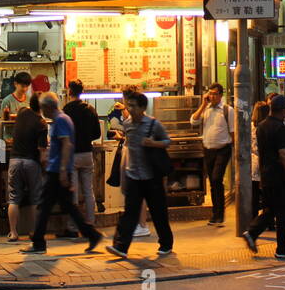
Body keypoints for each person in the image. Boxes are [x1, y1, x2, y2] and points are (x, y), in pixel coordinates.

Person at [22, 94, 102, 254]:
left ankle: (38, 242)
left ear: (48, 107)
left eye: (43, 108)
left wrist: (64, 171)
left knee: (45, 207)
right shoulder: (64, 119)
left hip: (58, 171)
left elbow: (66, 145)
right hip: (57, 169)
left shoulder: (61, 120)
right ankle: (91, 234)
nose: (42, 111)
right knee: (66, 206)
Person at [107, 89, 174, 259]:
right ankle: (121, 247)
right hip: (134, 176)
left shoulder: (153, 124)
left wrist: (153, 143)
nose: (130, 109)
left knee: (159, 213)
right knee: (130, 213)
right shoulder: (128, 124)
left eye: (133, 106)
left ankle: (166, 244)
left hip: (152, 177)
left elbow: (167, 141)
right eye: (129, 105)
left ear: (143, 107)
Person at [241, 93, 285, 260]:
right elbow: (283, 154)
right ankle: (282, 247)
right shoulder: (279, 128)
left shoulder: (261, 126)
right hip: (279, 176)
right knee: (284, 212)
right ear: (283, 110)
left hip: (265, 175)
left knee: (270, 210)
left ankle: (252, 233)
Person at [190, 83, 234, 227]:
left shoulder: (228, 110)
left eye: (215, 94)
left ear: (221, 95)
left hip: (223, 148)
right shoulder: (206, 110)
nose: (212, 96)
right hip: (208, 149)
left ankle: (219, 214)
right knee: (213, 182)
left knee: (216, 179)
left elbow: (233, 133)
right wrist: (203, 105)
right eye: (210, 93)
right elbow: (193, 121)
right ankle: (215, 214)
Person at [6, 94, 46, 243]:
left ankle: (13, 232)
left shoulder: (22, 113)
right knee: (35, 198)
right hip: (31, 162)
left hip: (15, 160)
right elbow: (42, 152)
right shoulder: (42, 123)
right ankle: (35, 232)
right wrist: (45, 166)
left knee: (14, 198)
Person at [62, 80, 102, 227]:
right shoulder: (90, 109)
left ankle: (72, 226)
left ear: (69, 92)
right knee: (88, 190)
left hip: (72, 155)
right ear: (82, 92)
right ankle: (90, 223)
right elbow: (97, 133)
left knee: (73, 191)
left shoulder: (66, 110)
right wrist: (85, 138)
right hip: (87, 154)